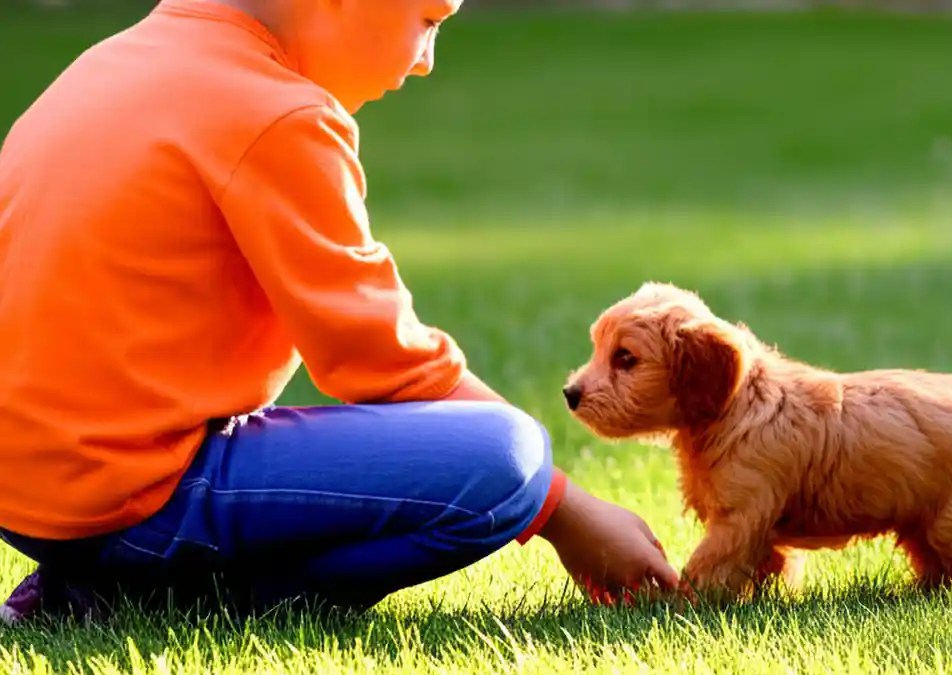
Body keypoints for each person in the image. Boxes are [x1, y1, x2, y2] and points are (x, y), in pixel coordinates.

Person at [0, 0, 678, 622]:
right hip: (127, 496)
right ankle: (149, 596)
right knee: (509, 459)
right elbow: (381, 360)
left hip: (25, 493)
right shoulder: (275, 113)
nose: (425, 60)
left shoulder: (117, 60)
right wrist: (564, 508)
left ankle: (87, 581)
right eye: (429, 20)